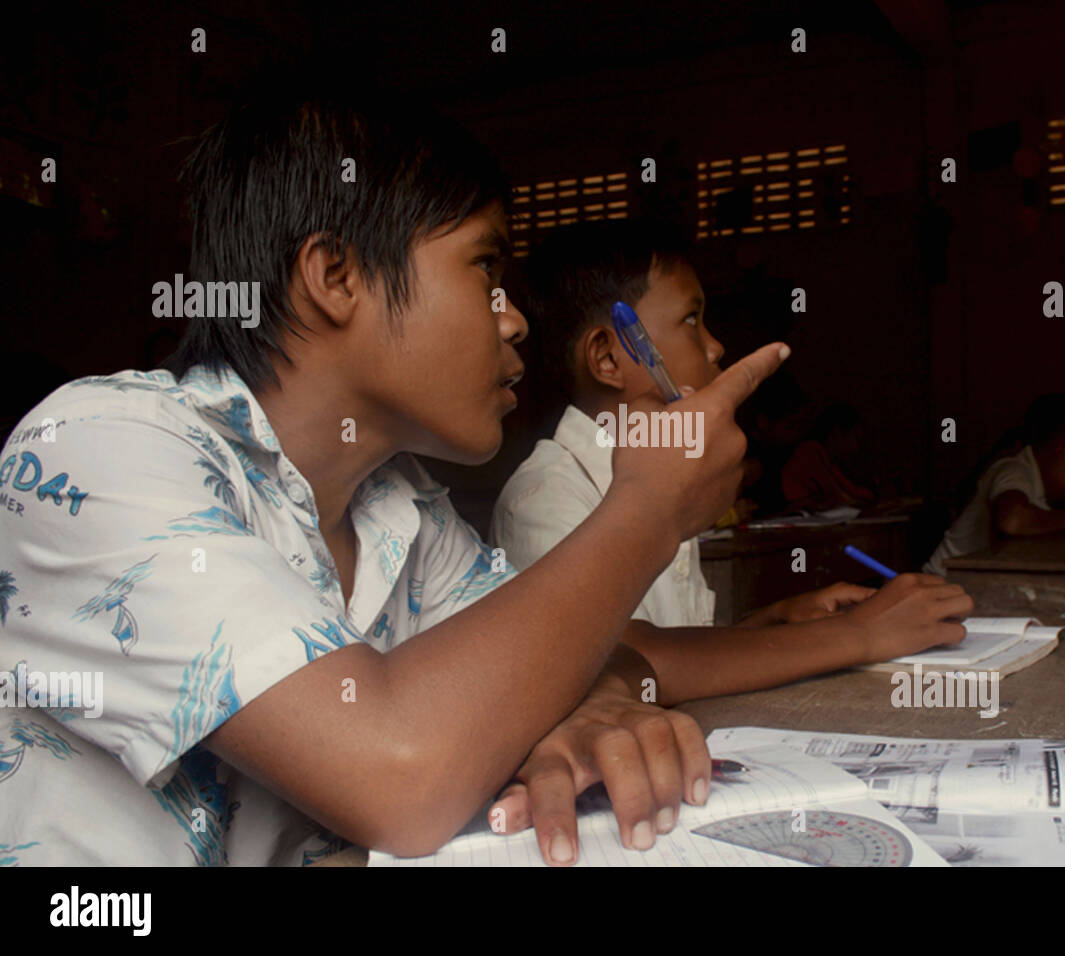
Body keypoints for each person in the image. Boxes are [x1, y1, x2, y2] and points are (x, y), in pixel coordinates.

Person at [0, 75, 788, 867]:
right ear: (337, 276)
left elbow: (571, 655)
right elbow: (397, 770)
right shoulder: (94, 448)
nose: (513, 321)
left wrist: (585, 713)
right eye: (485, 271)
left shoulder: (404, 513)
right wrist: (649, 509)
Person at [491, 219, 972, 705]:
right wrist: (861, 634)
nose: (716, 346)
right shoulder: (544, 497)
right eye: (691, 320)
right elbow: (620, 664)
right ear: (608, 359)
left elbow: (681, 647)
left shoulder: (670, 474)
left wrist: (775, 620)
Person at [924, 400, 1065, 575]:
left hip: (970, 585)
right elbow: (1012, 521)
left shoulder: (1040, 485)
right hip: (943, 584)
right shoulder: (1014, 469)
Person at [780, 402, 877, 512]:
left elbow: (853, 493)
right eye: (856, 438)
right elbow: (842, 497)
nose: (857, 447)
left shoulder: (828, 460)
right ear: (837, 432)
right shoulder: (810, 451)